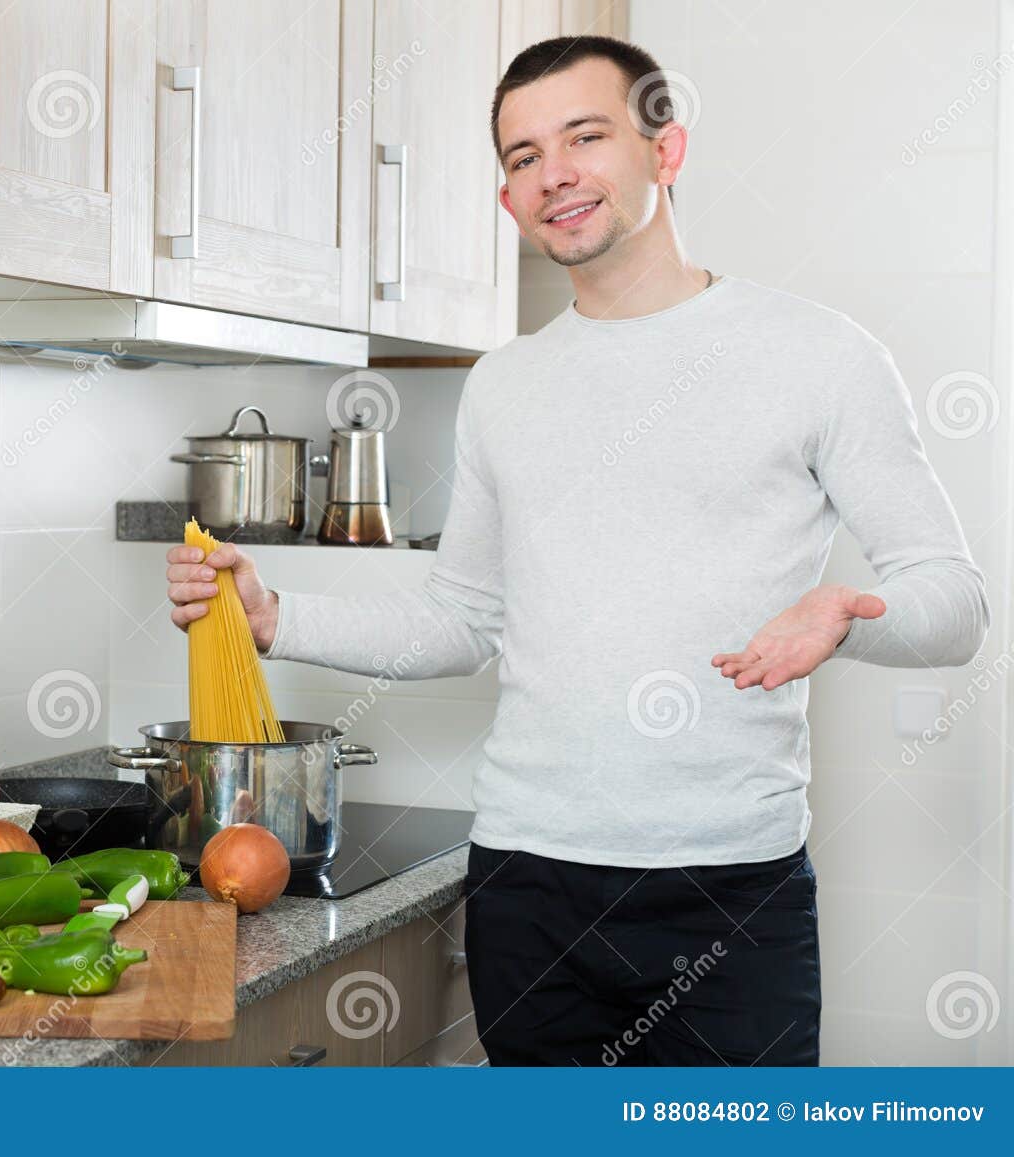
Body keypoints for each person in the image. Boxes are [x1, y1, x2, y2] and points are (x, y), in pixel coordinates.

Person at [164, 36, 988, 1066]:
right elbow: (460, 623)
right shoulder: (504, 385)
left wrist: (848, 617)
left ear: (665, 150)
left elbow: (953, 601)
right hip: (527, 883)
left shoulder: (817, 354)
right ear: (507, 199)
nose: (551, 172)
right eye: (519, 155)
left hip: (729, 890)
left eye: (584, 136)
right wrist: (276, 614)